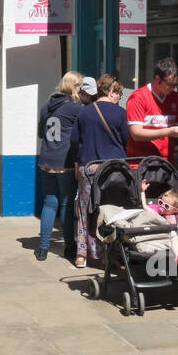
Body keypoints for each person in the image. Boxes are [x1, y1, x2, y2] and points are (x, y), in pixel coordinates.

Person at [70, 76, 128, 268]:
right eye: (118, 93)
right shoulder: (120, 113)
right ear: (110, 91)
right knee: (113, 211)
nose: (119, 97)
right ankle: (109, 254)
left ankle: (82, 255)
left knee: (85, 211)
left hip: (90, 168)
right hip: (114, 170)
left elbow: (74, 141)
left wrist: (77, 164)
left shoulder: (85, 113)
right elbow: (126, 140)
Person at [36, 72, 83, 261]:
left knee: (49, 203)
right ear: (74, 86)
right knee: (66, 203)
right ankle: (70, 247)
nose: (81, 89)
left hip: (46, 159)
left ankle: (43, 247)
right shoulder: (75, 107)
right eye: (79, 85)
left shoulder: (46, 107)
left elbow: (41, 133)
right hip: (64, 162)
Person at [125, 59, 178, 184]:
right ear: (157, 78)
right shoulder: (138, 97)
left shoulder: (175, 98)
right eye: (169, 84)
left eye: (175, 84)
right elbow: (136, 134)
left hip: (167, 163)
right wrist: (169, 131)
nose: (173, 88)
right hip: (142, 164)